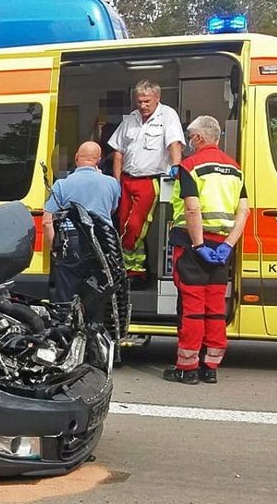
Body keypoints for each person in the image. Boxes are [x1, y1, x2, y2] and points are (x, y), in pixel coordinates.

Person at [162, 115, 249, 385]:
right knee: (214, 308)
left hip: (193, 245)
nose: (189, 143)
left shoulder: (190, 165)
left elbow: (192, 208)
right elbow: (244, 211)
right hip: (221, 247)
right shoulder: (235, 169)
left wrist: (198, 244)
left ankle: (187, 368)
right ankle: (210, 366)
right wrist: (227, 246)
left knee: (192, 308)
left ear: (198, 137)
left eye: (190, 138)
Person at [107, 80, 185, 285]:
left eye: (146, 101)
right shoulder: (131, 119)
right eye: (139, 101)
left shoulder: (167, 115)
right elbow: (118, 150)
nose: (142, 105)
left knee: (135, 226)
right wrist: (116, 181)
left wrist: (177, 167)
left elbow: (174, 142)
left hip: (149, 180)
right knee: (123, 225)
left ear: (157, 98)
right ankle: (132, 270)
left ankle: (134, 270)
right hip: (126, 179)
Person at [43, 141, 121, 303]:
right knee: (98, 289)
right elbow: (112, 211)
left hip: (70, 241)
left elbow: (47, 222)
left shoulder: (61, 184)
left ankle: (66, 321)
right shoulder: (112, 183)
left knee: (66, 291)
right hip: (101, 242)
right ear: (98, 160)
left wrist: (55, 249)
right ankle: (94, 323)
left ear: (77, 157)